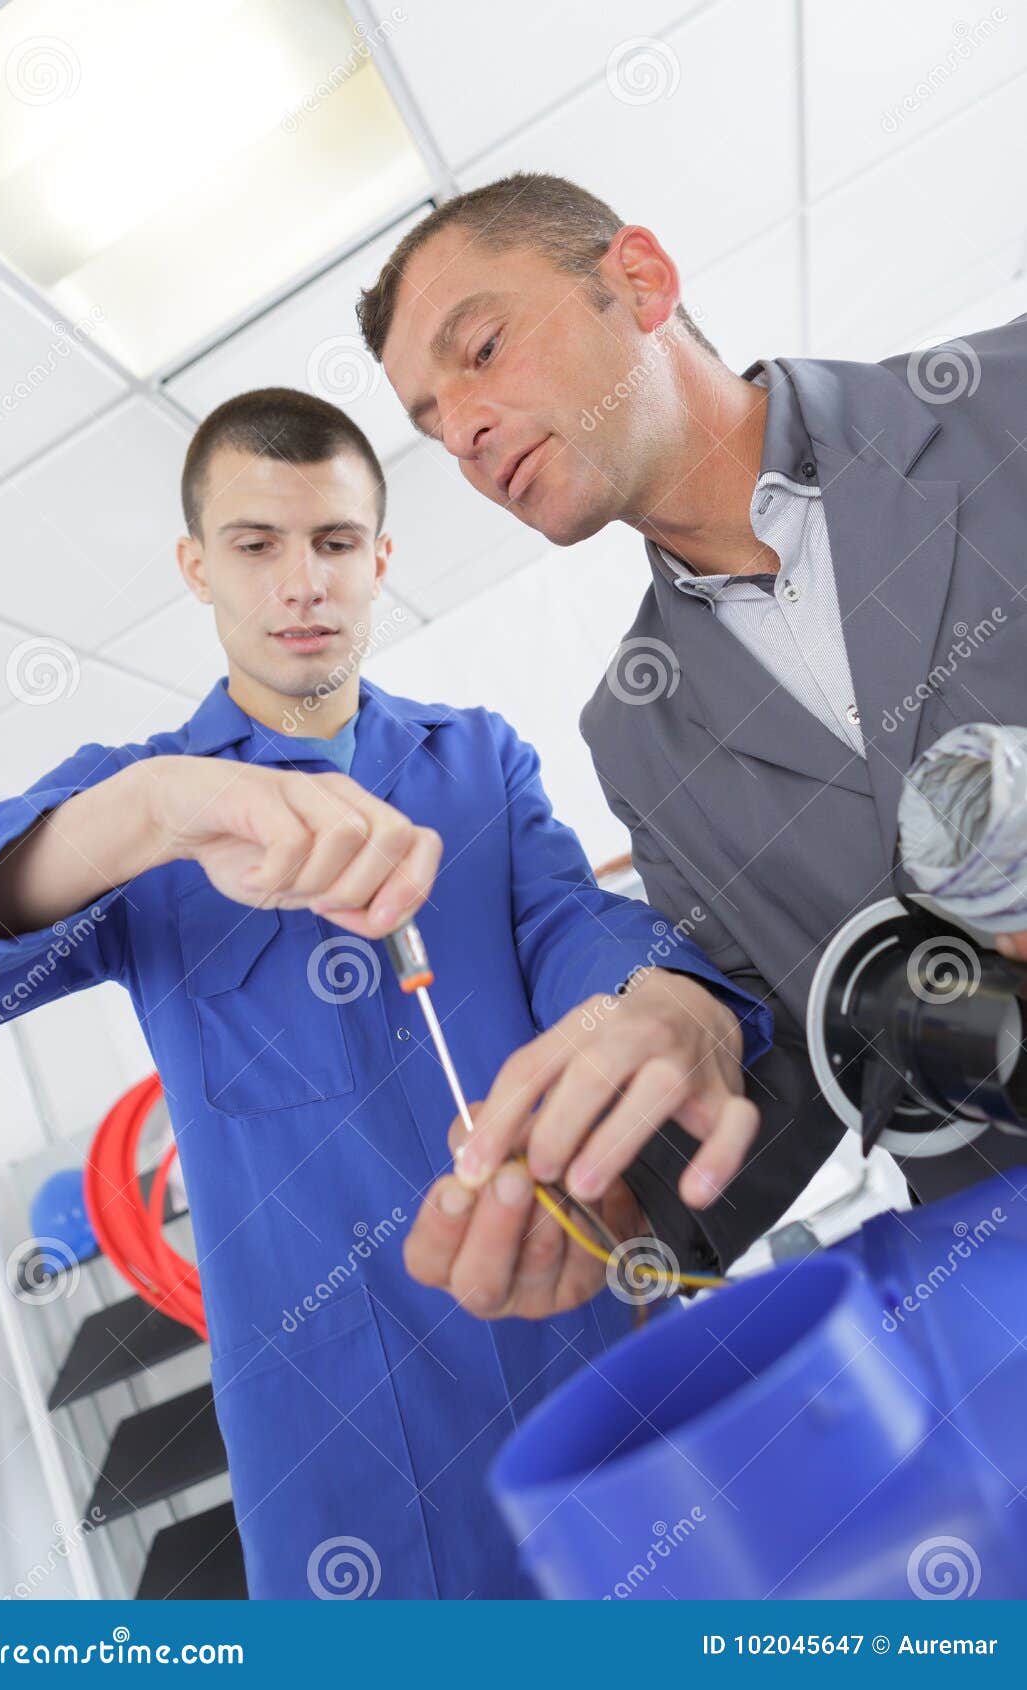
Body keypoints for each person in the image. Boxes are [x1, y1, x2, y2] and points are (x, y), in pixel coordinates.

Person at [0, 388, 771, 1599]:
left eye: (334, 542)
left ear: (379, 558)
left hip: (576, 1354)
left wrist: (658, 999)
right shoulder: (132, 812)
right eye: (255, 545)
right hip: (345, 1460)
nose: (302, 584)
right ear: (197, 567)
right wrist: (153, 814)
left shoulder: (474, 759)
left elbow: (571, 928)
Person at [356, 169, 1027, 1309]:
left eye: (479, 350)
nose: (464, 431)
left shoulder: (998, 404)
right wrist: (617, 1206)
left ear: (640, 281)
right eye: (432, 428)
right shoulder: (637, 731)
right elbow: (778, 1057)